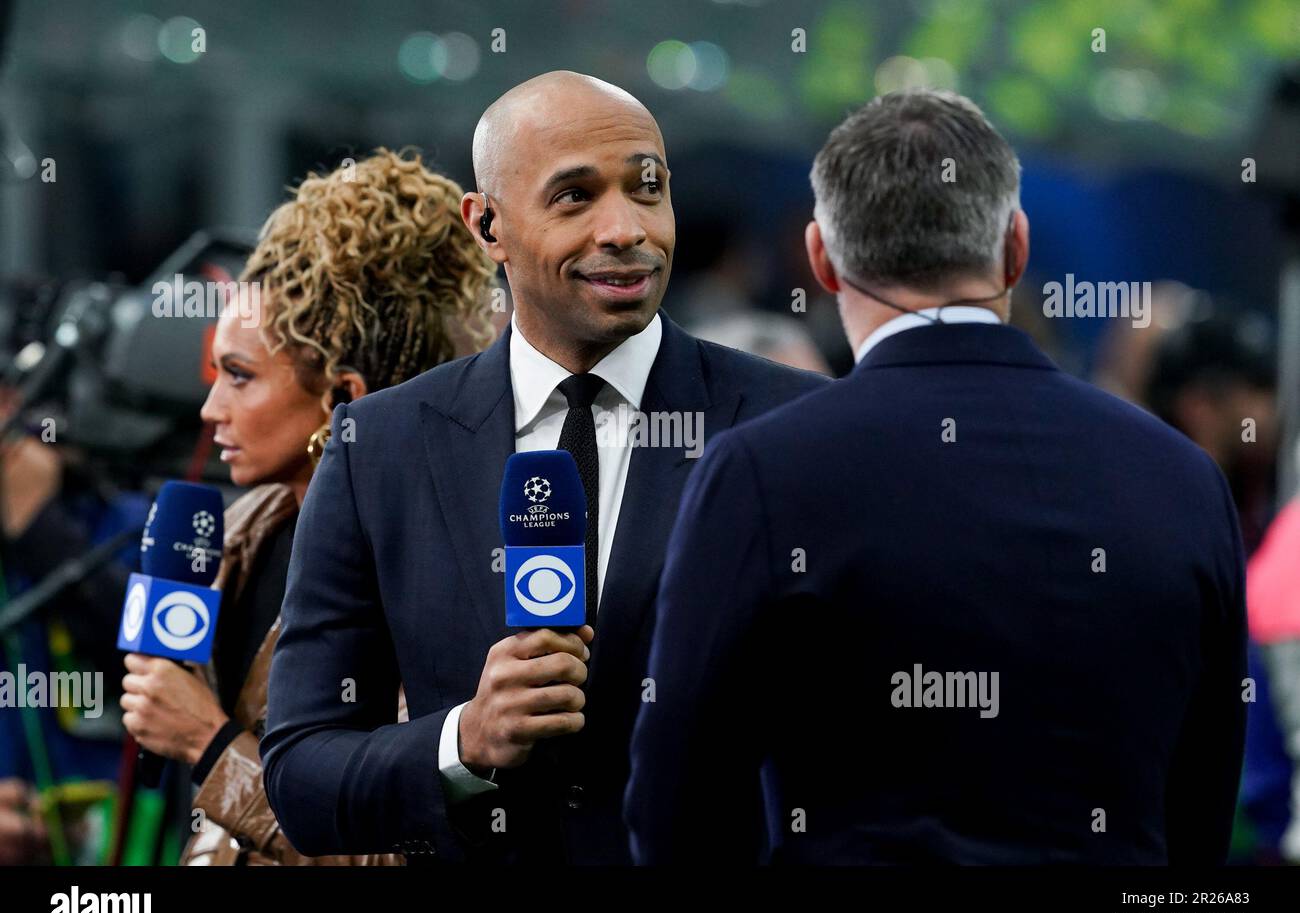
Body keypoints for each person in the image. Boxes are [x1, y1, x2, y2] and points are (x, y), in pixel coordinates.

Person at [625, 89, 1248, 865]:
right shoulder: (1182, 478)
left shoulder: (762, 473)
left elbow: (678, 808)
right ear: (1016, 249)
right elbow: (1203, 813)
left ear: (821, 258)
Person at [260, 71, 826, 864]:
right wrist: (465, 741)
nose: (626, 227)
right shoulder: (378, 447)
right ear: (487, 225)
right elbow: (300, 774)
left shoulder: (796, 425)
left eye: (647, 187)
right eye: (575, 197)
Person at [117, 148, 496, 865]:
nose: (208, 409)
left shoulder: (434, 571)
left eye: (238, 378)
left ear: (344, 397)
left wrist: (208, 747)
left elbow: (396, 848)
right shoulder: (238, 533)